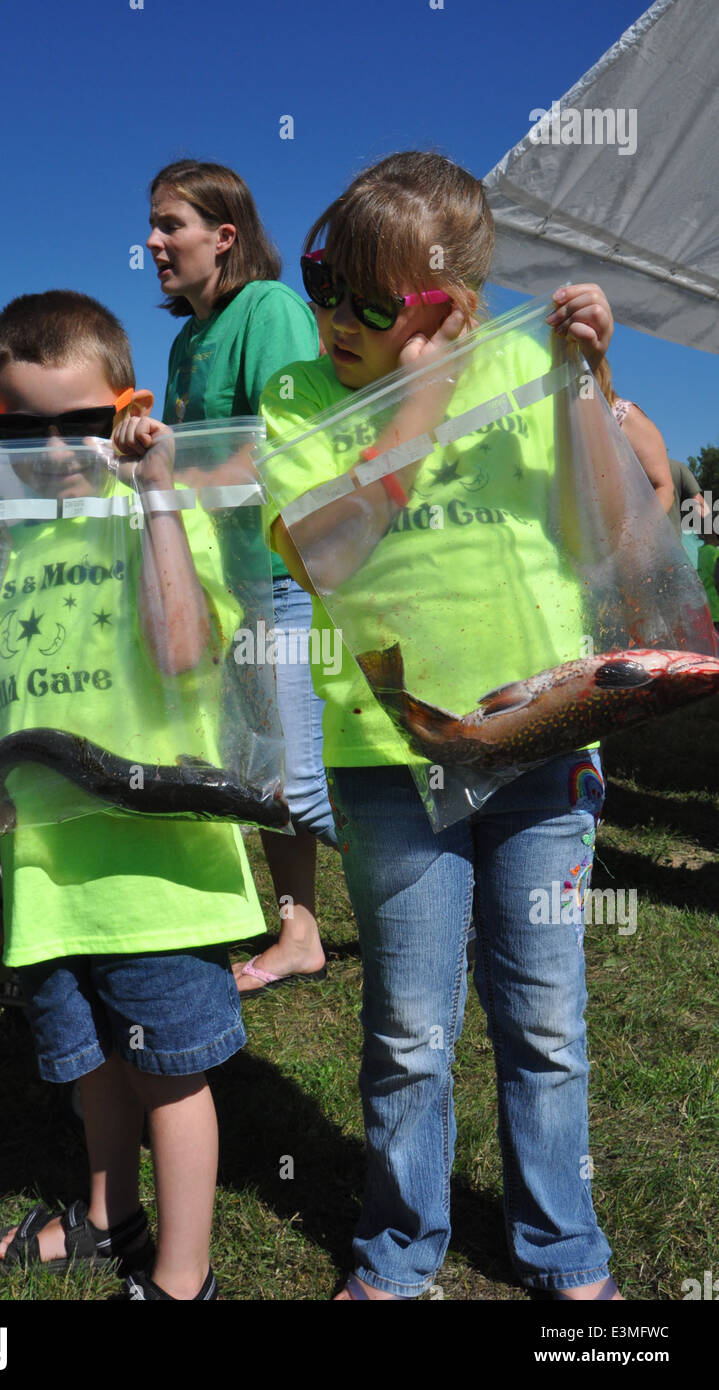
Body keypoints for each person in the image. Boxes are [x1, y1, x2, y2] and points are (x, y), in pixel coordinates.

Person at [257, 151, 623, 1300]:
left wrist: (584, 387)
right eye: (324, 283)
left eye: (369, 303)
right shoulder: (300, 395)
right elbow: (324, 549)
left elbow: (606, 528)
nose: (332, 318)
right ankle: (398, 1246)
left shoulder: (521, 361)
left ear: (451, 303)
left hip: (540, 737)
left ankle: (561, 1249)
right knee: (410, 1030)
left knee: (545, 1019)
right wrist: (418, 382)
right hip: (392, 756)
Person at [0, 290, 266, 1301]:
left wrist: (154, 492)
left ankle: (183, 1275)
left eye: (83, 423)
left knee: (169, 1076)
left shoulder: (164, 516)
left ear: (129, 408)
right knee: (89, 1068)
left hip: (157, 869)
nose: (56, 449)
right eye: (26, 427)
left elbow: (185, 651)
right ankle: (111, 1217)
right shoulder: (14, 546)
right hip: (51, 868)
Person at [147, 160, 337, 995]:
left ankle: (452, 879)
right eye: (152, 226)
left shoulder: (270, 309)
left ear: (225, 235)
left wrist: (169, 478)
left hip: (287, 575)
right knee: (263, 774)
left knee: (300, 778)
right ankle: (298, 930)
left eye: (170, 225)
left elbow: (290, 441)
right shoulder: (186, 339)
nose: (152, 242)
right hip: (225, 588)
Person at [593, 363, 675, 517]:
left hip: (622, 534)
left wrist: (637, 538)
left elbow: (664, 488)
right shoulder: (563, 420)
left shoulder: (622, 414)